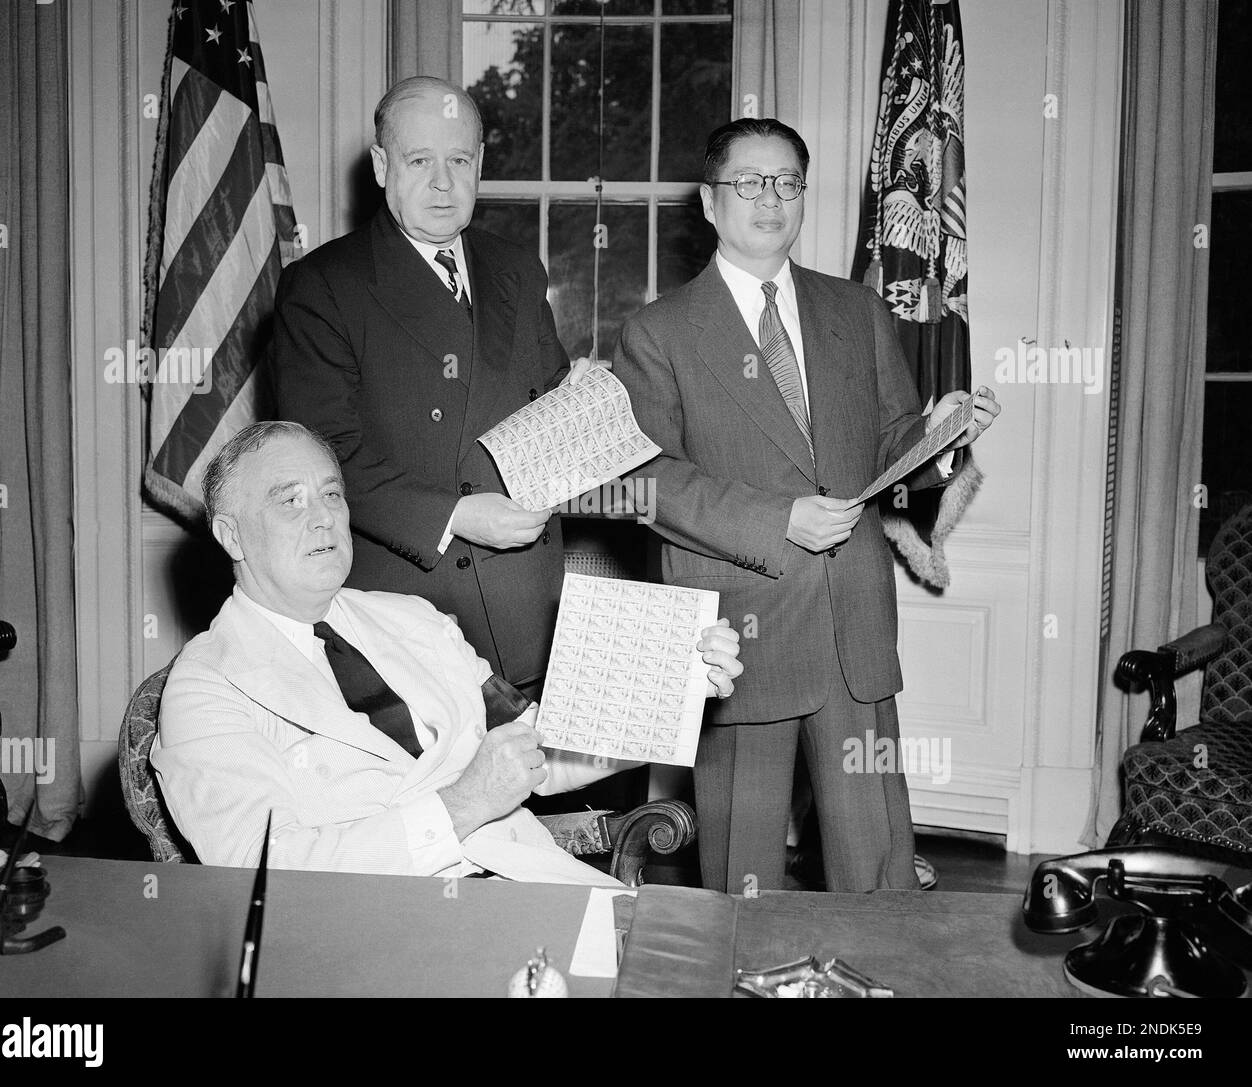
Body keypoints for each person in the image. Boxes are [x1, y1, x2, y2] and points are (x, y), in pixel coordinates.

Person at [612, 118, 1000, 894]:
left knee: (879, 868)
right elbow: (646, 479)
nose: (770, 198)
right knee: (741, 877)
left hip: (855, 632)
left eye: (787, 182)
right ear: (710, 202)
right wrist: (777, 519)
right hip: (739, 640)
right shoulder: (658, 332)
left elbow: (892, 455)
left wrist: (941, 436)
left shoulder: (857, 313)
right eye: (748, 182)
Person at [150, 422, 742, 883]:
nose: (325, 517)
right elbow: (261, 871)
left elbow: (541, 750)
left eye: (332, 493)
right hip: (373, 932)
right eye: (291, 501)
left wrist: (673, 687)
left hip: (525, 882)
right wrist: (463, 804)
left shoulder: (415, 620)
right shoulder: (206, 687)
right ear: (230, 535)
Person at [270, 76, 589, 696]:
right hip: (407, 623)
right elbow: (325, 462)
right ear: (383, 166)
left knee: (557, 792)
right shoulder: (322, 285)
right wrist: (458, 515)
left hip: (532, 611)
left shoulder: (516, 269)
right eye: (420, 160)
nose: (443, 183)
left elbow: (542, 408)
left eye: (460, 160)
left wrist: (581, 403)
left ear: (481, 165)